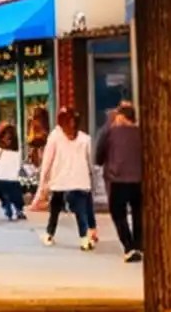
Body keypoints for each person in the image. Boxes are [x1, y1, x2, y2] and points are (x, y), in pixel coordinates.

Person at [39, 107, 95, 250]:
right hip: (80, 180)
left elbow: (47, 161)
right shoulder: (85, 139)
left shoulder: (55, 137)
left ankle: (49, 233)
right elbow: (90, 162)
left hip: (60, 180)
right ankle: (84, 239)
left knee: (55, 209)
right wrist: (91, 178)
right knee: (80, 211)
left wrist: (43, 183)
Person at [96, 101, 143, 262]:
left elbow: (98, 156)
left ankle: (128, 246)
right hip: (139, 180)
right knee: (138, 214)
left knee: (118, 214)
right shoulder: (141, 132)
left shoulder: (109, 132)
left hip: (117, 179)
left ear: (121, 117)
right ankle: (138, 245)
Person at [0, 125, 27, 220]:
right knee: (16, 195)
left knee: (3, 193)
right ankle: (18, 210)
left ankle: (6, 205)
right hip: (12, 179)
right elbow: (19, 167)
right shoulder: (18, 152)